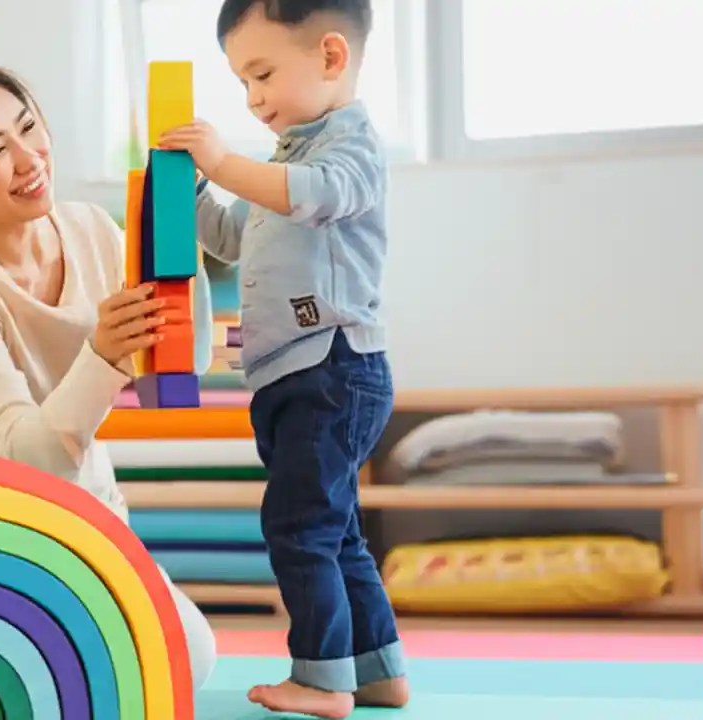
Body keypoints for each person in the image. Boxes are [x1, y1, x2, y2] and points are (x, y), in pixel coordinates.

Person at [0, 55, 218, 691]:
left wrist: (181, 240)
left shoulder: (87, 228)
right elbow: (27, 460)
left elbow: (181, 366)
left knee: (185, 662)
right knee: (45, 686)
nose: (30, 158)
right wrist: (104, 354)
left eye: (29, 127)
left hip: (87, 511)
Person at [159, 1, 408, 717]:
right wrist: (198, 185)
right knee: (338, 533)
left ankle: (322, 677)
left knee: (299, 529)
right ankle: (377, 668)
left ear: (331, 57)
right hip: (296, 373)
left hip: (332, 367)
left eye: (262, 74)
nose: (253, 98)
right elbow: (235, 237)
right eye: (241, 82)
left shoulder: (349, 146)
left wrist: (224, 160)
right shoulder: (284, 158)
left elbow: (314, 198)